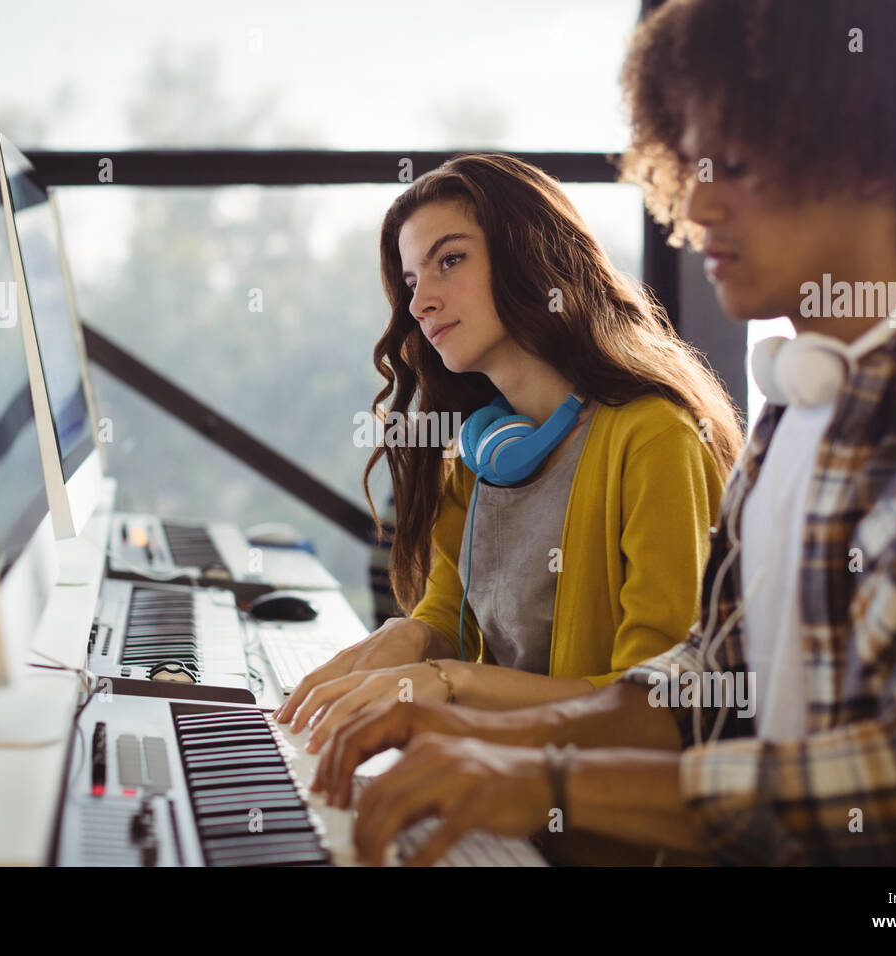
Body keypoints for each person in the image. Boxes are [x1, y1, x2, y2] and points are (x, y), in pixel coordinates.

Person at [310, 0, 896, 866]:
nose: (695, 203)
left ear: (867, 152)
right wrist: (469, 733)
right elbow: (704, 686)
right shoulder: (801, 401)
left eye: (731, 163)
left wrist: (545, 782)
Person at [275, 153, 741, 752]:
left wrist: (447, 682)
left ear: (532, 253)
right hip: (491, 797)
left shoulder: (656, 439)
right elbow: (450, 619)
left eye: (450, 260)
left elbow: (653, 711)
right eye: (413, 282)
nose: (420, 305)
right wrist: (413, 638)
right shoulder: (482, 448)